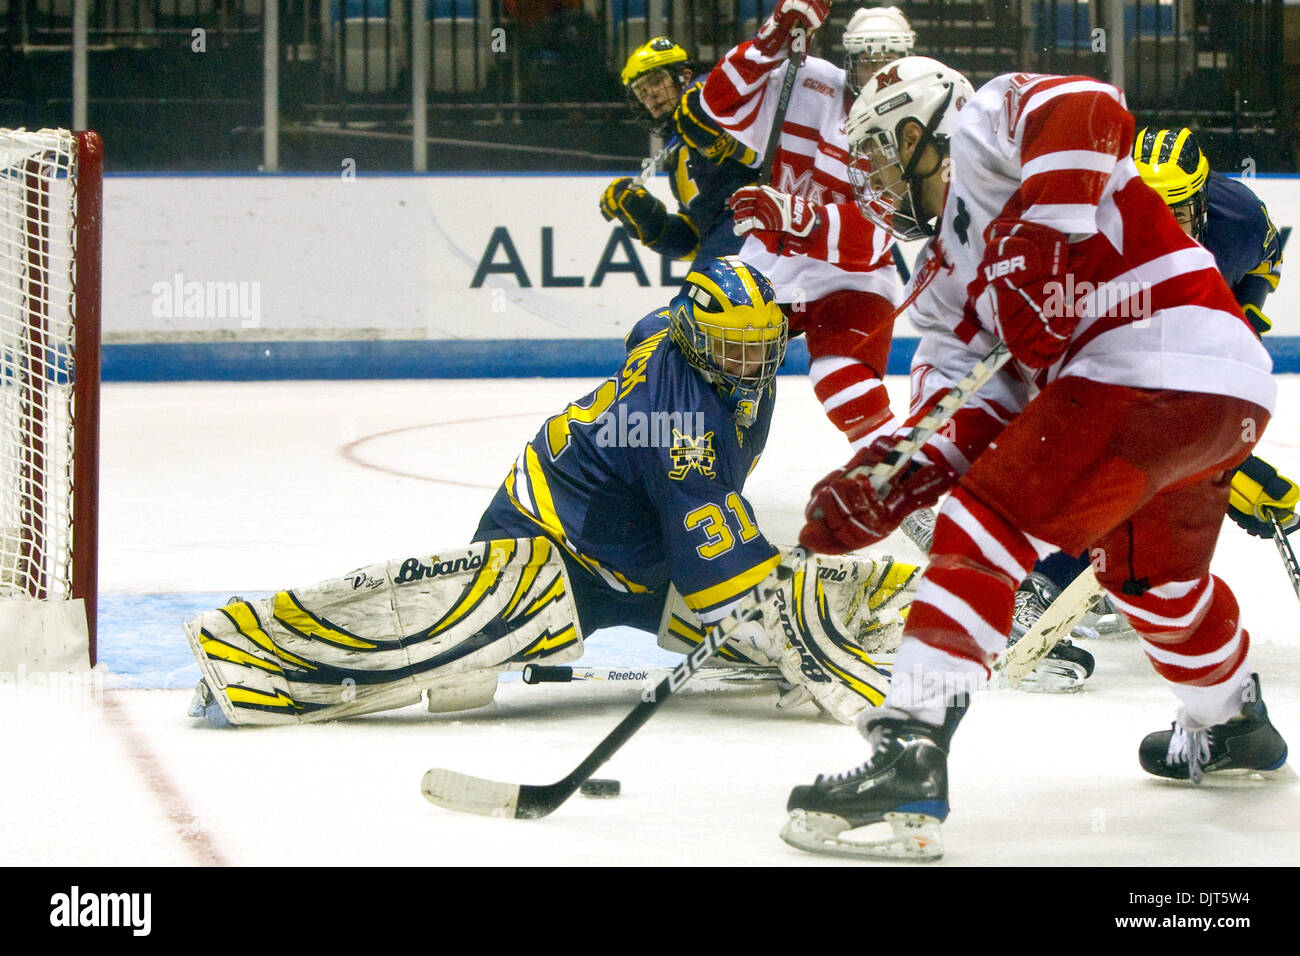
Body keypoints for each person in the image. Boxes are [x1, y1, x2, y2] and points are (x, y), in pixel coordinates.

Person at [782, 58, 1290, 861]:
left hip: (1147, 362)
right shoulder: (945, 282)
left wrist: (1045, 232)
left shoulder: (988, 126)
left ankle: (908, 749)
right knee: (1154, 584)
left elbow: (1090, 104)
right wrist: (894, 474)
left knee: (982, 525)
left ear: (916, 133)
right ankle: (1232, 723)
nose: (874, 181)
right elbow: (963, 403)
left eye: (879, 155)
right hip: (1222, 396)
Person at [184, 257, 916, 729]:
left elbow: (644, 329)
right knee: (454, 658)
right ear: (697, 343)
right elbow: (721, 577)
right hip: (548, 550)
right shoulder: (682, 428)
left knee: (748, 622)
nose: (753, 365)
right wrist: (804, 643)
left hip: (645, 550)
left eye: (763, 347)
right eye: (735, 350)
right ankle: (251, 655)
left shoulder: (675, 332)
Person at [1024, 126, 1296, 647]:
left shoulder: (1238, 217)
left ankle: (1101, 568)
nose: (1161, 227)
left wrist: (1247, 309)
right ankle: (1042, 580)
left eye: (1178, 211)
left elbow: (1265, 260)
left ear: (1203, 202)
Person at [678, 4, 912, 452]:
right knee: (705, 357)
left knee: (838, 374)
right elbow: (717, 101)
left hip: (853, 278)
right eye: (868, 59)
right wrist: (775, 35)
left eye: (890, 60)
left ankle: (892, 474)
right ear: (850, 60)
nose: (879, 72)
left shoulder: (915, 120)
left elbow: (881, 231)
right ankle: (685, 466)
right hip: (771, 263)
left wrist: (792, 215)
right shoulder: (808, 80)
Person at [599, 38, 761, 270]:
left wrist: (724, 138)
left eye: (656, 82)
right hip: (725, 241)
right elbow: (696, 240)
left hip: (757, 222)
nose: (650, 96)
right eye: (641, 91)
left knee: (701, 295)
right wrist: (651, 222)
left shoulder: (710, 98)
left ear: (684, 76)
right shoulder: (676, 151)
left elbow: (769, 155)